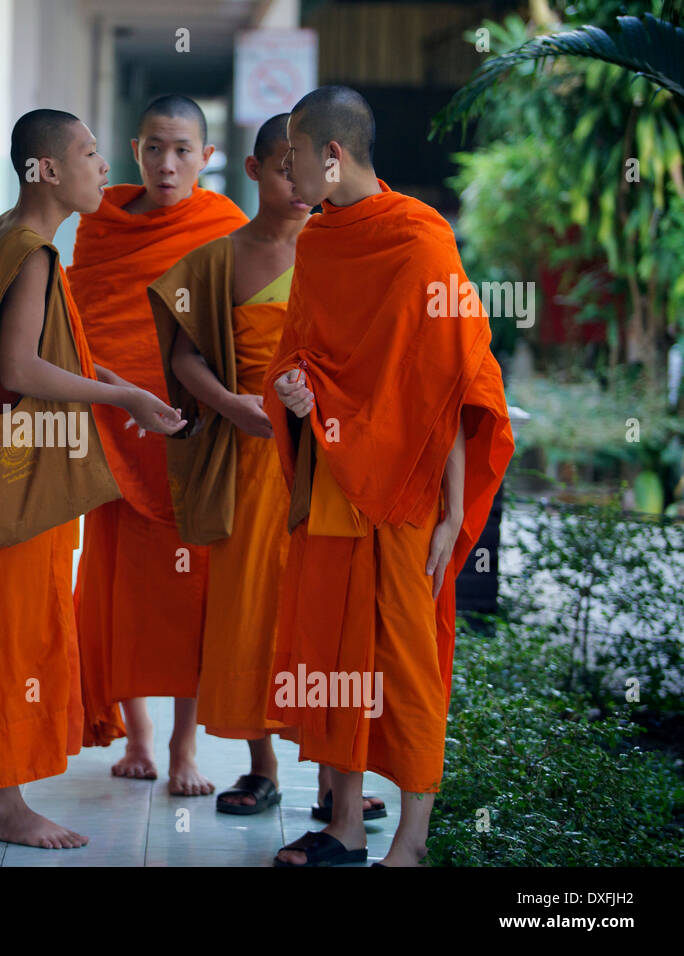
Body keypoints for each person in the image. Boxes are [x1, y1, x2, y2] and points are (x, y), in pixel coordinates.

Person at [0, 108, 187, 848]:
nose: (104, 169)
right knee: (7, 638)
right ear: (49, 170)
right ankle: (9, 801)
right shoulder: (31, 254)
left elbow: (47, 356)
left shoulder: (4, 235)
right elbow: (20, 369)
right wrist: (122, 397)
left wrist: (122, 387)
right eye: (91, 154)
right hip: (8, 483)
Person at [264, 86, 513, 866]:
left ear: (332, 157)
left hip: (406, 494)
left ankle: (411, 840)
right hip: (336, 479)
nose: (286, 171)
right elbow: (302, 354)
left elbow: (453, 382)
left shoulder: (420, 243)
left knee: (404, 661)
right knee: (331, 655)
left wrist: (450, 514)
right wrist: (296, 388)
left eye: (294, 156)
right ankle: (342, 822)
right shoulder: (318, 243)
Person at [67, 95, 247, 796]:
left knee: (190, 593)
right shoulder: (101, 222)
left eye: (181, 150)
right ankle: (137, 736)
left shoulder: (223, 224)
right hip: (114, 428)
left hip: (189, 433)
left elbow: (233, 332)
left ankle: (183, 746)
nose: (166, 165)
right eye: (152, 148)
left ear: (207, 157)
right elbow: (84, 321)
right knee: (113, 588)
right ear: (134, 149)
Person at [150, 114, 307, 814]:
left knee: (324, 608)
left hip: (328, 461)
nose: (299, 185)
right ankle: (262, 761)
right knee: (251, 609)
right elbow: (184, 355)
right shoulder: (221, 258)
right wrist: (232, 405)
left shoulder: (339, 251)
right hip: (250, 457)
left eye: (310, 170)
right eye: (283, 168)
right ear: (252, 170)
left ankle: (341, 776)